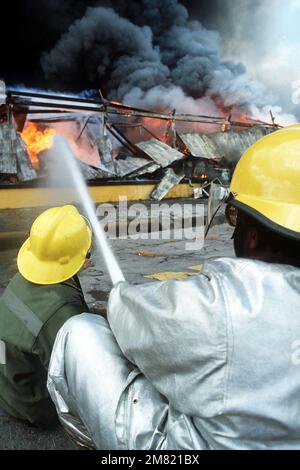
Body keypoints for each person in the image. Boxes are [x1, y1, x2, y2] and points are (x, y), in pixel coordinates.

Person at [47, 126, 300, 449]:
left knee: (80, 332)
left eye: (237, 218)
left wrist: (120, 295)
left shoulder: (221, 303)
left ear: (253, 235)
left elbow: (136, 324)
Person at [0, 205, 91, 427]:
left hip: (7, 384)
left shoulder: (22, 280)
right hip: (32, 403)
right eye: (87, 251)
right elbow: (74, 372)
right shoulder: (62, 313)